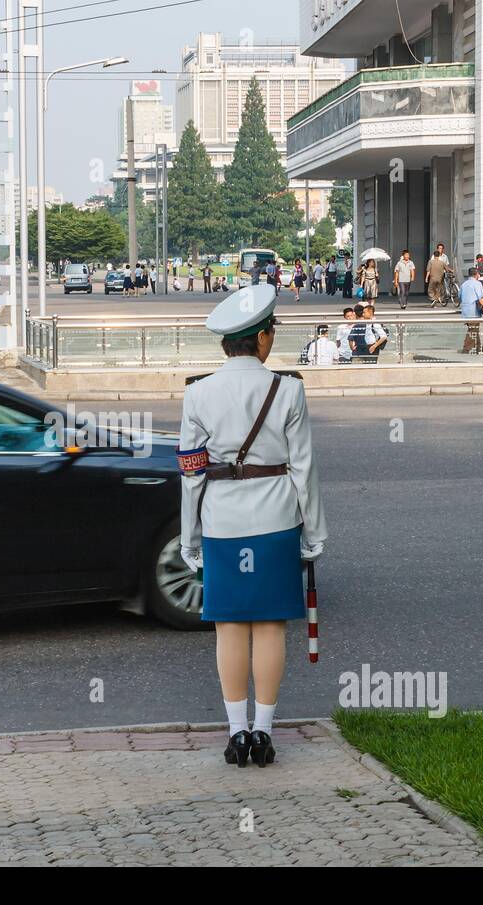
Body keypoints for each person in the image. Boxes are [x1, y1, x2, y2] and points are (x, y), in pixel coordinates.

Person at [178, 284, 327, 768]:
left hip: (222, 523)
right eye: (271, 332)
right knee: (268, 626)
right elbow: (304, 468)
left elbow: (192, 474)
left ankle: (235, 732)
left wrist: (189, 536)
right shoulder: (288, 390)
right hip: (276, 520)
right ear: (262, 339)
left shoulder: (198, 394)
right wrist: (314, 534)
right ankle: (263, 733)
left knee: (229, 627)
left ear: (226, 343)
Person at [458, 267, 483, 354]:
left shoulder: (463, 284)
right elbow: (480, 298)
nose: (479, 275)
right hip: (473, 311)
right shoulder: (477, 284)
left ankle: (479, 348)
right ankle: (466, 348)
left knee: (474, 329)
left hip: (465, 311)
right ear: (476, 274)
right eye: (478, 274)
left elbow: (459, 297)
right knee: (472, 330)